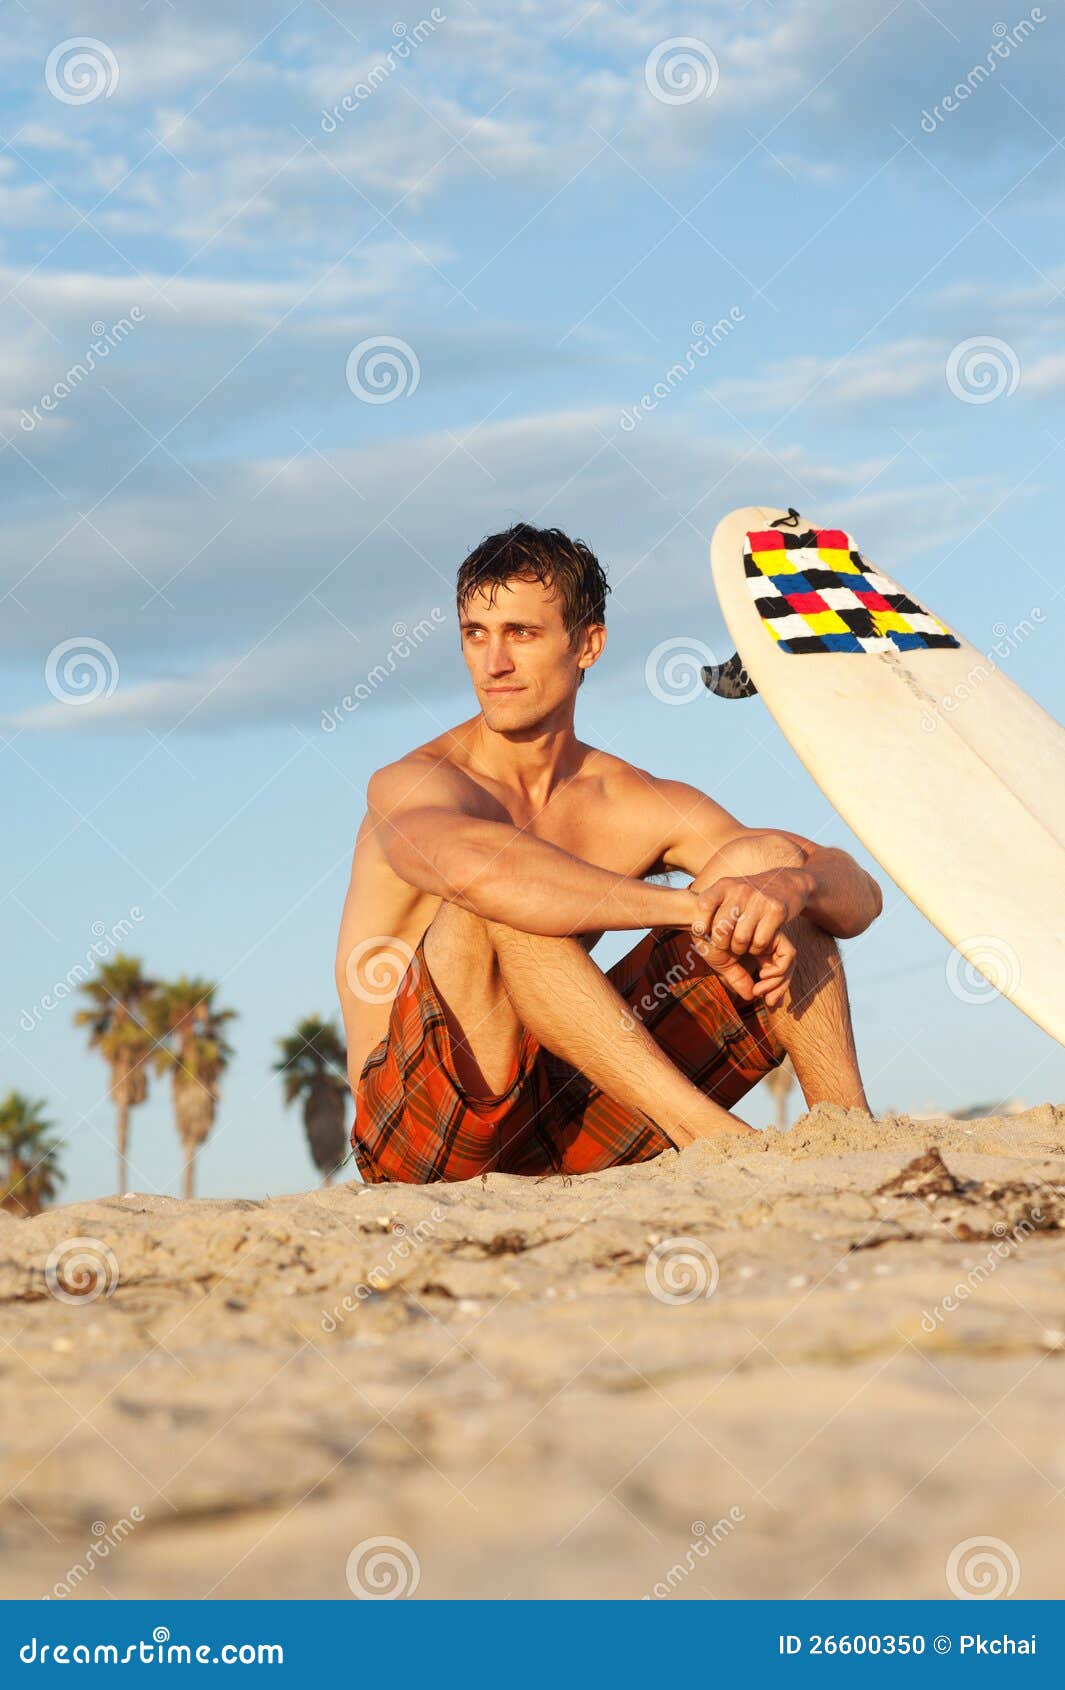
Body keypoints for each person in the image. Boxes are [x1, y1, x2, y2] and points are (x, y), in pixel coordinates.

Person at [335, 523, 882, 1185]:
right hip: (426, 1139)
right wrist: (691, 909)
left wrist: (783, 892)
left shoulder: (630, 799)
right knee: (505, 899)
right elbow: (479, 874)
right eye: (474, 634)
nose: (492, 663)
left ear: (586, 644)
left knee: (763, 863)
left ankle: (852, 1141)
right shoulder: (420, 782)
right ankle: (713, 1137)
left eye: (521, 634)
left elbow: (856, 894)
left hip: (575, 1116)